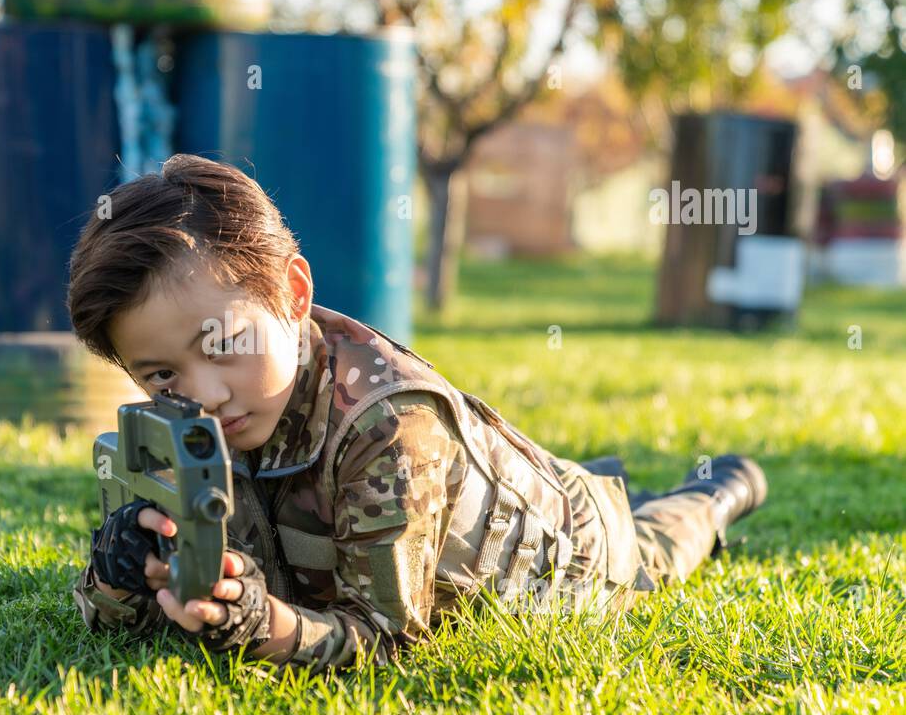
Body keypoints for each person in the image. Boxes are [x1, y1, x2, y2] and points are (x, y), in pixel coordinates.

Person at [65, 154, 768, 675]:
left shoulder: (389, 425)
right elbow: (119, 617)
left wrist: (263, 624)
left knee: (651, 545)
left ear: (293, 293)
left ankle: (716, 492)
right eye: (162, 374)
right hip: (469, 500)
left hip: (571, 551)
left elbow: (389, 641)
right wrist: (121, 571)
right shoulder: (189, 422)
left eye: (221, 342)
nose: (205, 393)